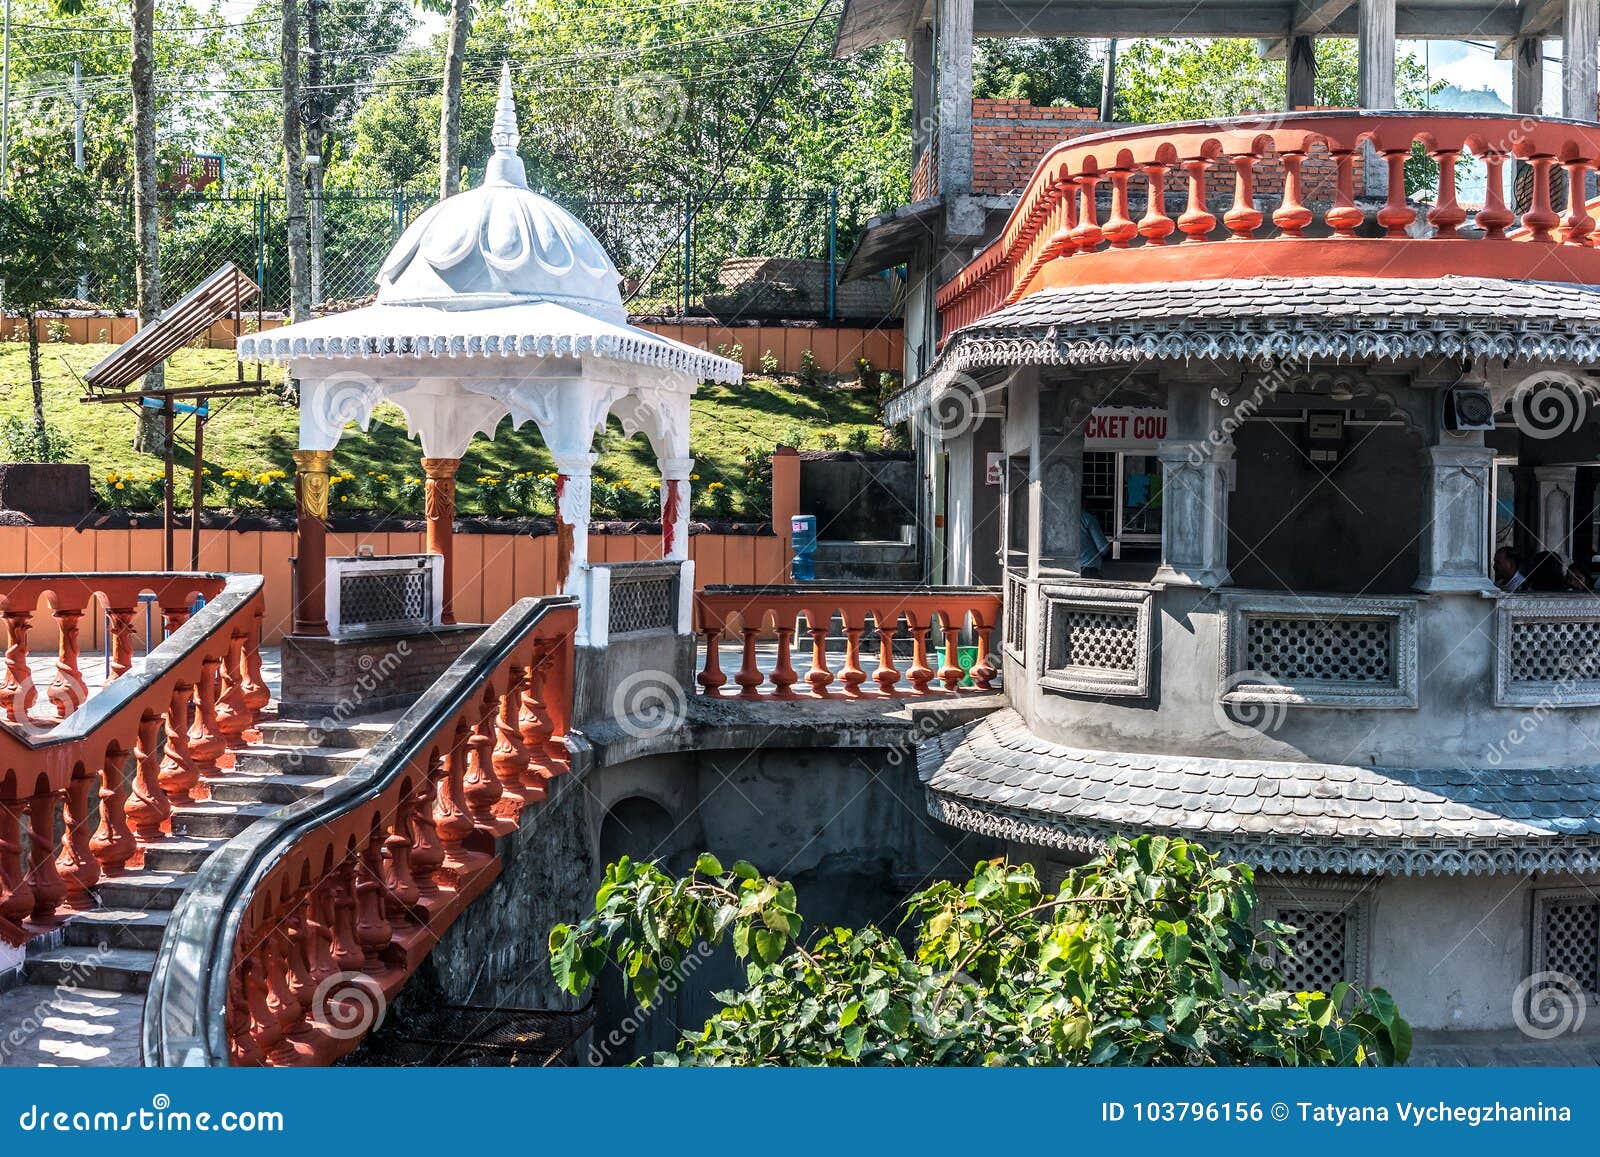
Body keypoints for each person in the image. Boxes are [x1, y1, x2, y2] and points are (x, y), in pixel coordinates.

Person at [1080, 509, 1110, 578]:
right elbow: (1103, 549)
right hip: (1088, 568)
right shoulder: (1087, 518)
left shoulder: (1057, 518)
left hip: (1063, 569)